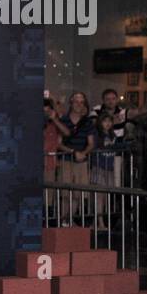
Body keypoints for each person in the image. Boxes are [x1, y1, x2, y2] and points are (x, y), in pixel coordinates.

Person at [47, 92, 95, 224]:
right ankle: (62, 220)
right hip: (67, 160)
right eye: (76, 101)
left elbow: (91, 143)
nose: (79, 104)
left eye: (81, 102)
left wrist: (83, 153)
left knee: (78, 193)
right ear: (71, 103)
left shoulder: (88, 122)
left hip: (82, 160)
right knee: (65, 193)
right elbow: (59, 143)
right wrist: (73, 152)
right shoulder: (63, 120)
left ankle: (70, 219)